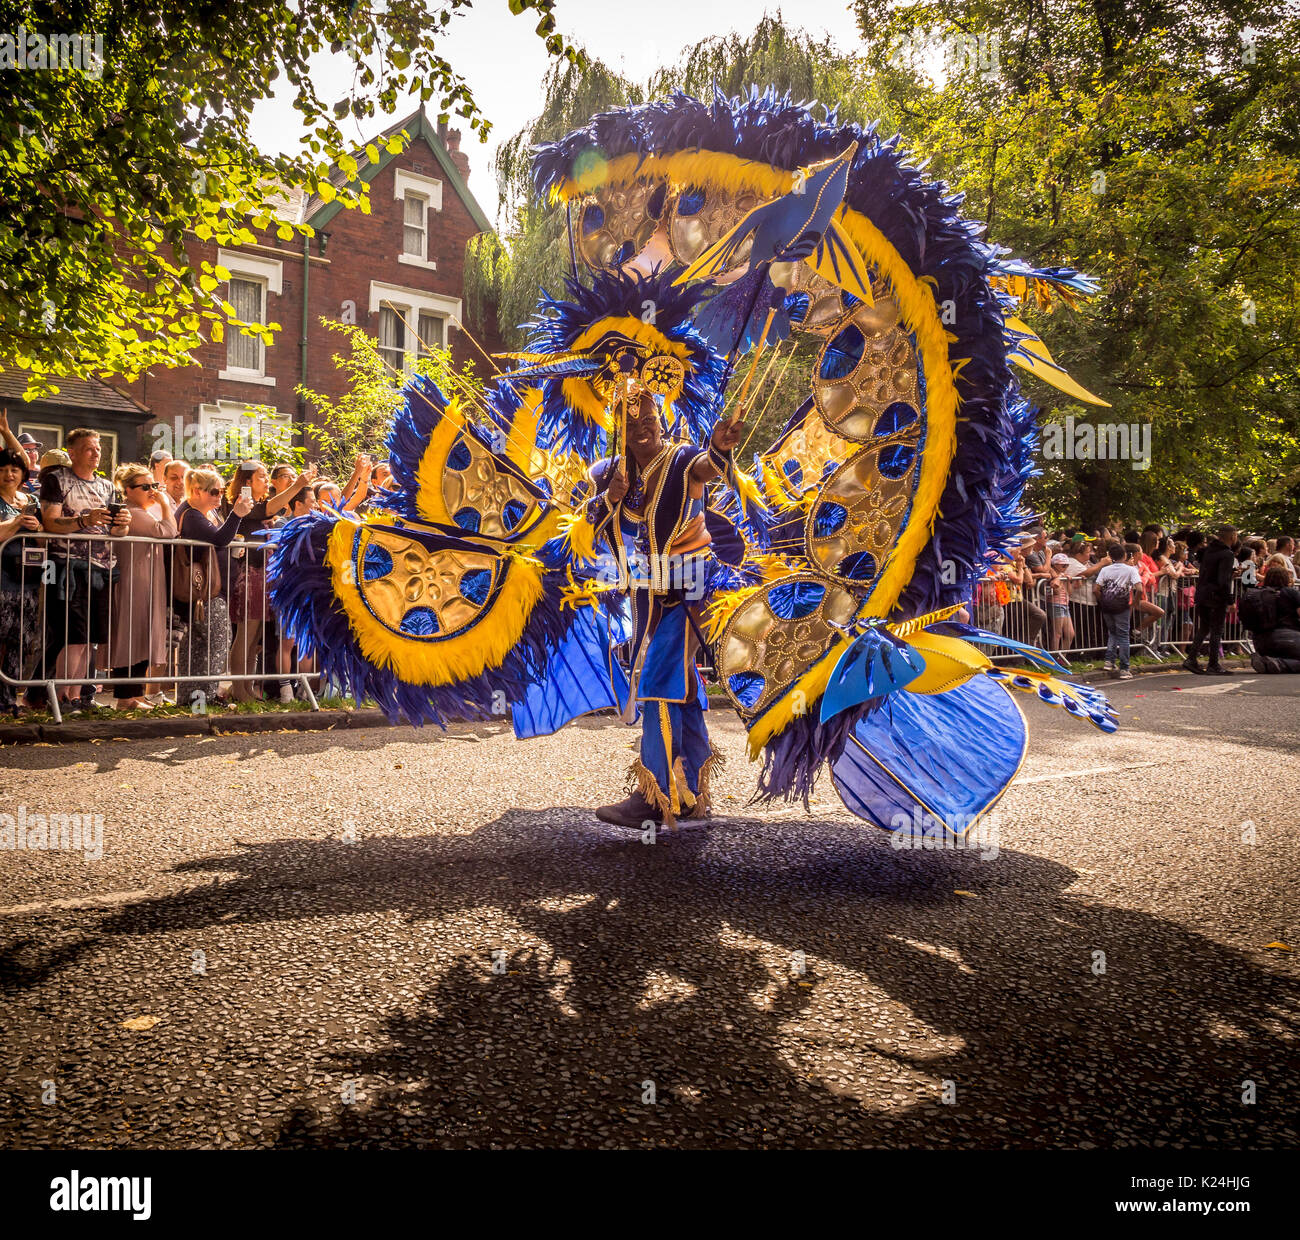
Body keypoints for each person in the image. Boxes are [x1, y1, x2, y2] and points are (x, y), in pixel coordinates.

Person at [592, 387, 743, 828]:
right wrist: (610, 499)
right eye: (633, 427)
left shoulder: (681, 459)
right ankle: (691, 791)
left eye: (649, 423)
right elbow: (591, 529)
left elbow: (706, 467)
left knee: (657, 682)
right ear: (621, 433)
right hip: (646, 598)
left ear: (662, 422)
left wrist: (719, 447)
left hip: (687, 596)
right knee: (685, 686)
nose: (643, 432)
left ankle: (653, 795)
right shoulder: (618, 474)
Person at [26, 428, 130, 711]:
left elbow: (117, 533)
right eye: (88, 448)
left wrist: (123, 523)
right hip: (67, 565)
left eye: (98, 448)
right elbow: (50, 521)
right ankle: (58, 697)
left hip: (103, 567)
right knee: (73, 635)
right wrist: (85, 521)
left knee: (90, 638)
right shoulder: (56, 480)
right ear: (72, 452)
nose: (96, 453)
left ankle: (77, 696)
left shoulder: (108, 486)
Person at [223, 460, 315, 702]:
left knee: (254, 640)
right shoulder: (242, 504)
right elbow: (273, 506)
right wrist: (299, 484)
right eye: (262, 476)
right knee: (246, 634)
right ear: (247, 481)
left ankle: (247, 688)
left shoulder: (259, 505)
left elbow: (272, 509)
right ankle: (239, 690)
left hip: (263, 574)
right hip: (250, 573)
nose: (265, 480)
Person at [174, 468, 252, 707]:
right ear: (197, 491)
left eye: (221, 491)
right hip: (205, 592)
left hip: (211, 590)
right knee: (216, 642)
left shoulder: (205, 513)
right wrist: (237, 515)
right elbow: (219, 539)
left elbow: (221, 539)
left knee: (200, 647)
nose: (219, 496)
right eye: (214, 492)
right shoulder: (192, 515)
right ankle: (202, 698)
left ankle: (193, 700)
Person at [108, 463, 177, 709]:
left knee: (142, 636)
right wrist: (166, 504)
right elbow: (168, 530)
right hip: (133, 581)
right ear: (128, 490)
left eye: (154, 486)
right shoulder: (134, 512)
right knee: (132, 635)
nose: (152, 491)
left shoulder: (142, 511)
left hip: (146, 580)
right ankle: (126, 697)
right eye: (145, 487)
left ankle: (134, 695)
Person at [0, 413, 43, 714]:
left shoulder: (30, 499)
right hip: (1, 577)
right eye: (2, 470)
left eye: (14, 470)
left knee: (20, 639)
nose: (9, 474)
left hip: (27, 579)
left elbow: (45, 535)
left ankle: (9, 700)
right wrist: (16, 522)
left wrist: (39, 530)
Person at [1182, 524, 1239, 675]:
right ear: (1232, 536)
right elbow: (1223, 580)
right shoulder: (1227, 554)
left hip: (1202, 593)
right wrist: (1230, 600)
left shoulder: (1208, 551)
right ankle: (1213, 663)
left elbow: (1212, 573)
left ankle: (1191, 658)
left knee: (1205, 627)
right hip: (1216, 597)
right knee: (1216, 630)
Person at [1094, 542, 1141, 679]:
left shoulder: (1105, 570)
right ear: (1125, 555)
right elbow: (1139, 588)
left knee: (1113, 633)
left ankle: (1109, 661)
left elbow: (1095, 589)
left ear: (1110, 556)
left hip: (1107, 605)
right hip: (1122, 605)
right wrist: (1134, 603)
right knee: (1123, 636)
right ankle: (1124, 668)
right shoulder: (1130, 570)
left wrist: (1103, 600)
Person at [1242, 565, 1300, 673]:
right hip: (1288, 638)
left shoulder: (1258, 593)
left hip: (1260, 642)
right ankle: (1280, 664)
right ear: (1286, 579)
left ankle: (1268, 661)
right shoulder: (1289, 592)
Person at [1047, 552, 1075, 655]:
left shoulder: (1063, 576)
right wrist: (1059, 579)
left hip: (1065, 604)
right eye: (1063, 564)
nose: (1065, 567)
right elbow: (1056, 592)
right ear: (1055, 565)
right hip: (1055, 604)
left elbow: (1070, 592)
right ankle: (1054, 657)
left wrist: (1067, 581)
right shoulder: (1052, 575)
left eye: (1066, 565)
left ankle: (1063, 657)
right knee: (1057, 633)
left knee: (1070, 634)